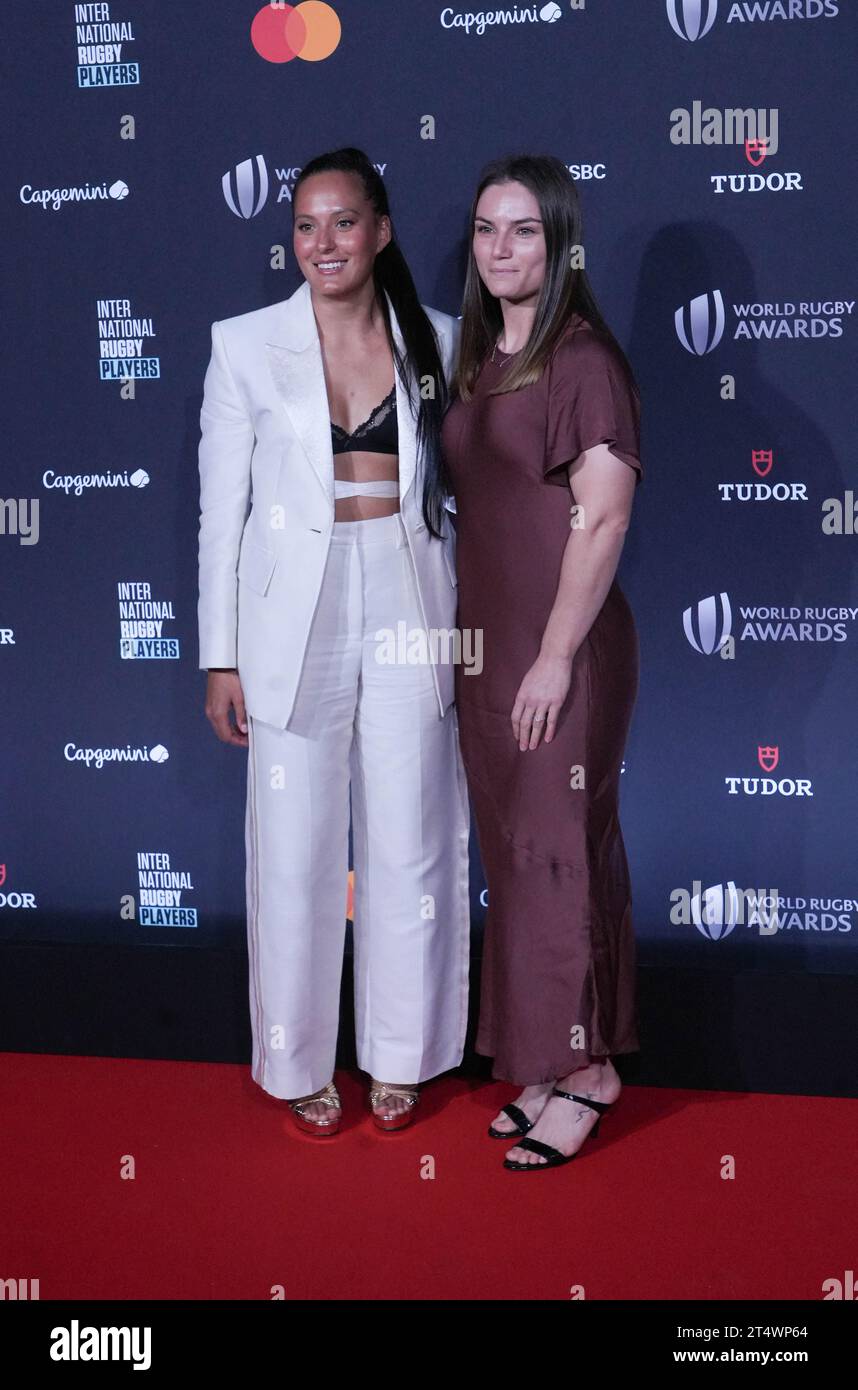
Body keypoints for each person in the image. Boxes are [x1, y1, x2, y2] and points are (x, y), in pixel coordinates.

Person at [198, 147, 470, 1136]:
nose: (323, 242)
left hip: (407, 601)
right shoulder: (243, 346)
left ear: (381, 230)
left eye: (343, 222)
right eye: (306, 225)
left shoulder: (439, 339)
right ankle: (296, 1059)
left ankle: (404, 1054)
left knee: (411, 836)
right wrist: (219, 653)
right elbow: (217, 515)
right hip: (291, 621)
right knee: (295, 847)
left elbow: (463, 493)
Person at [441, 154, 643, 1171]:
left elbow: (602, 520)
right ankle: (541, 1054)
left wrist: (556, 657)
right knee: (517, 862)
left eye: (522, 230)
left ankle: (592, 1069)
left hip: (561, 653)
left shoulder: (583, 358)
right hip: (489, 651)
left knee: (565, 851)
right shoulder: (478, 359)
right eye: (486, 229)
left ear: (561, 243)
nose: (500, 250)